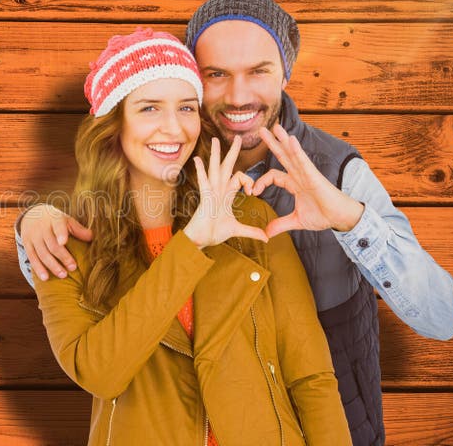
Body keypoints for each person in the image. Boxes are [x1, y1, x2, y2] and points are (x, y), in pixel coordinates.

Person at [16, 0, 453, 445]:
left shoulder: (331, 173)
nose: (238, 95)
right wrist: (33, 225)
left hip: (340, 421)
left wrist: (349, 220)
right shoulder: (120, 203)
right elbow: (85, 316)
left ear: (285, 73)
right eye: (216, 74)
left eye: (258, 71)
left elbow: (436, 320)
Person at [32, 27, 351, 445]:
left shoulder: (252, 218)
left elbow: (311, 376)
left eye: (185, 107)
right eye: (149, 108)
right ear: (114, 124)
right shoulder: (64, 244)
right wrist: (191, 244)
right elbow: (99, 373)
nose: (174, 128)